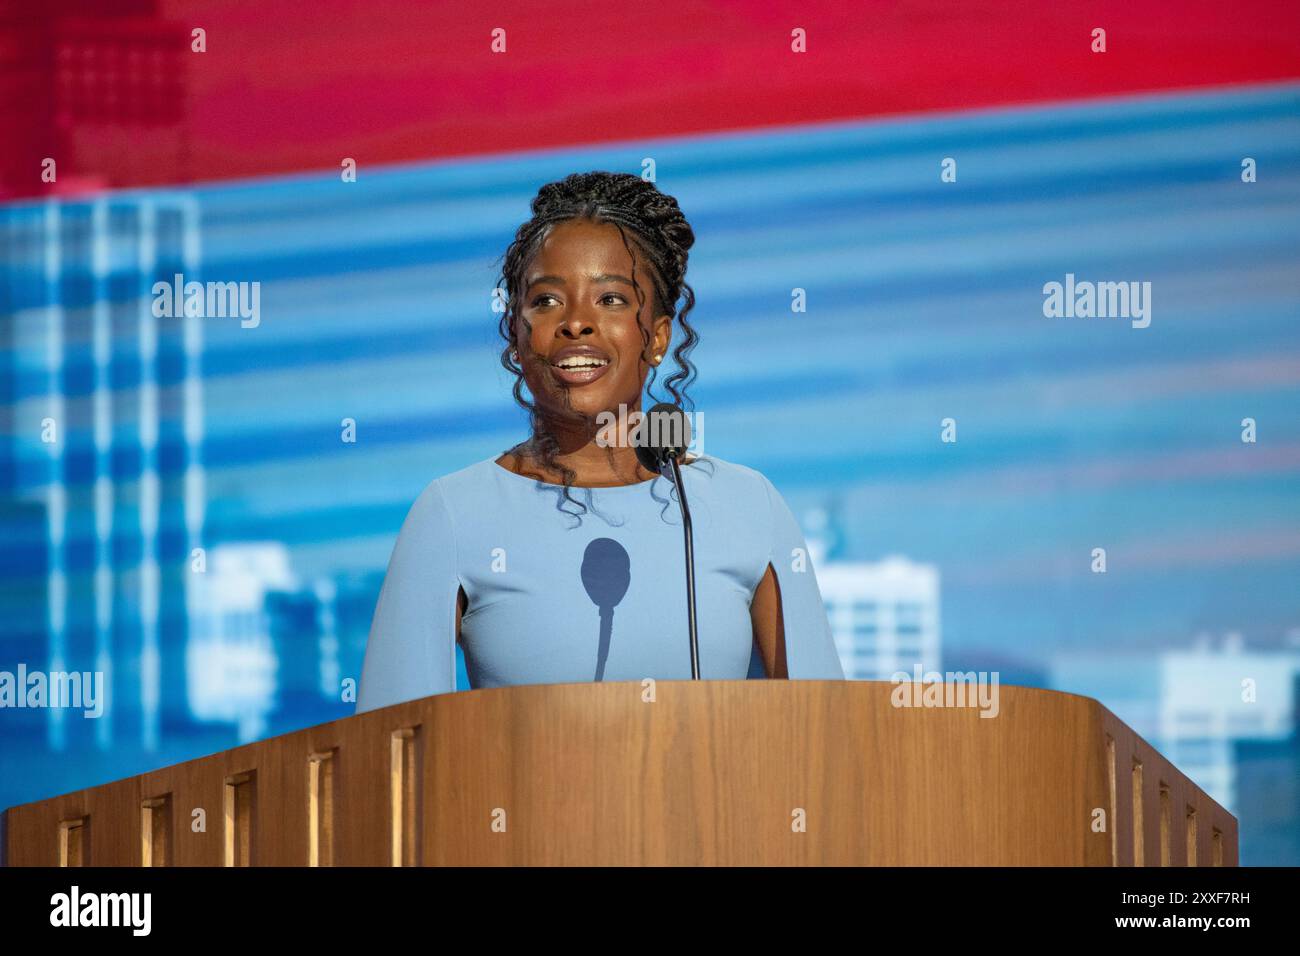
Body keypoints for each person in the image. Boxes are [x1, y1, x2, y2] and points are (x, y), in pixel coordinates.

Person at [355, 171, 843, 714]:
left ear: (656, 338)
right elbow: (387, 746)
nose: (577, 324)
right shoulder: (453, 512)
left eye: (611, 298)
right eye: (545, 301)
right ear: (517, 338)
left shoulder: (746, 504)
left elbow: (827, 735)